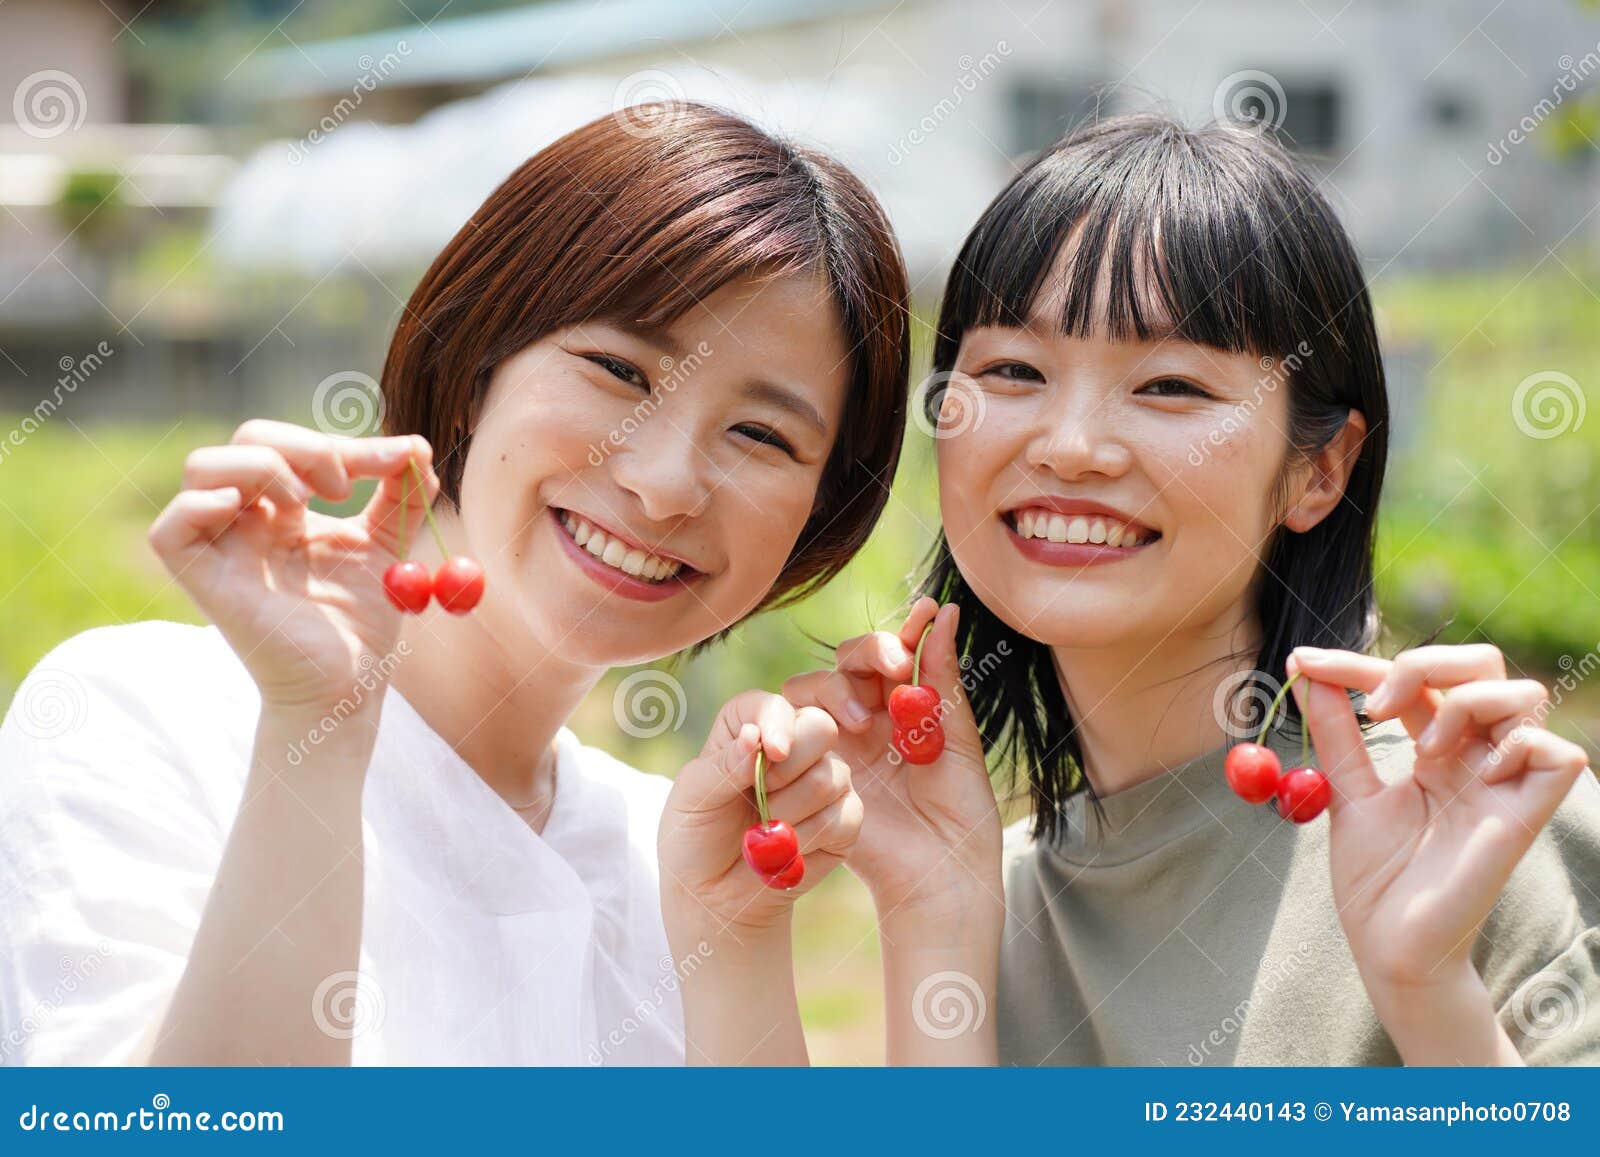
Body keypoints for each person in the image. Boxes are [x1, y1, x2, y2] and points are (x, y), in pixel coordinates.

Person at [0, 103, 908, 1066]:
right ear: (477, 361)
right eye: (618, 369)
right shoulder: (142, 716)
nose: (663, 481)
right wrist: (318, 731)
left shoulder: (676, 853)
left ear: (820, 507)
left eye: (762, 435)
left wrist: (740, 940)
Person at [767, 114, 1599, 1065]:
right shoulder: (984, 898)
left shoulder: (1481, 828)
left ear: (1320, 468)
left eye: (1169, 387)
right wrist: (933, 918)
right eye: (1013, 369)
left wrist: (1426, 988)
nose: (1070, 446)